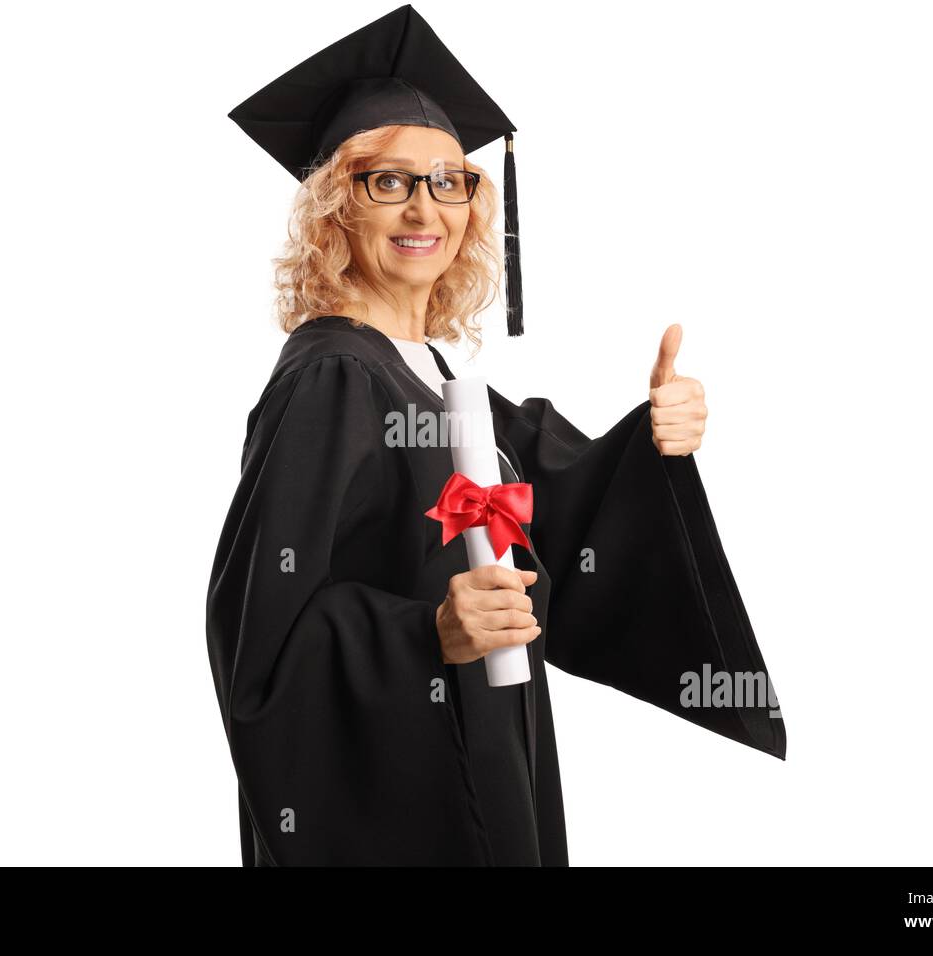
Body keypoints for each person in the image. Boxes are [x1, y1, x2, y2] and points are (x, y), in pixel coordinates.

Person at [206, 3, 785, 867]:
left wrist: (654, 441)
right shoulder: (332, 377)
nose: (425, 207)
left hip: (491, 764)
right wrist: (423, 637)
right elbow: (257, 635)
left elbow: (569, 503)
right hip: (409, 810)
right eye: (387, 180)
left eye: (451, 180)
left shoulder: (441, 378)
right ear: (335, 206)